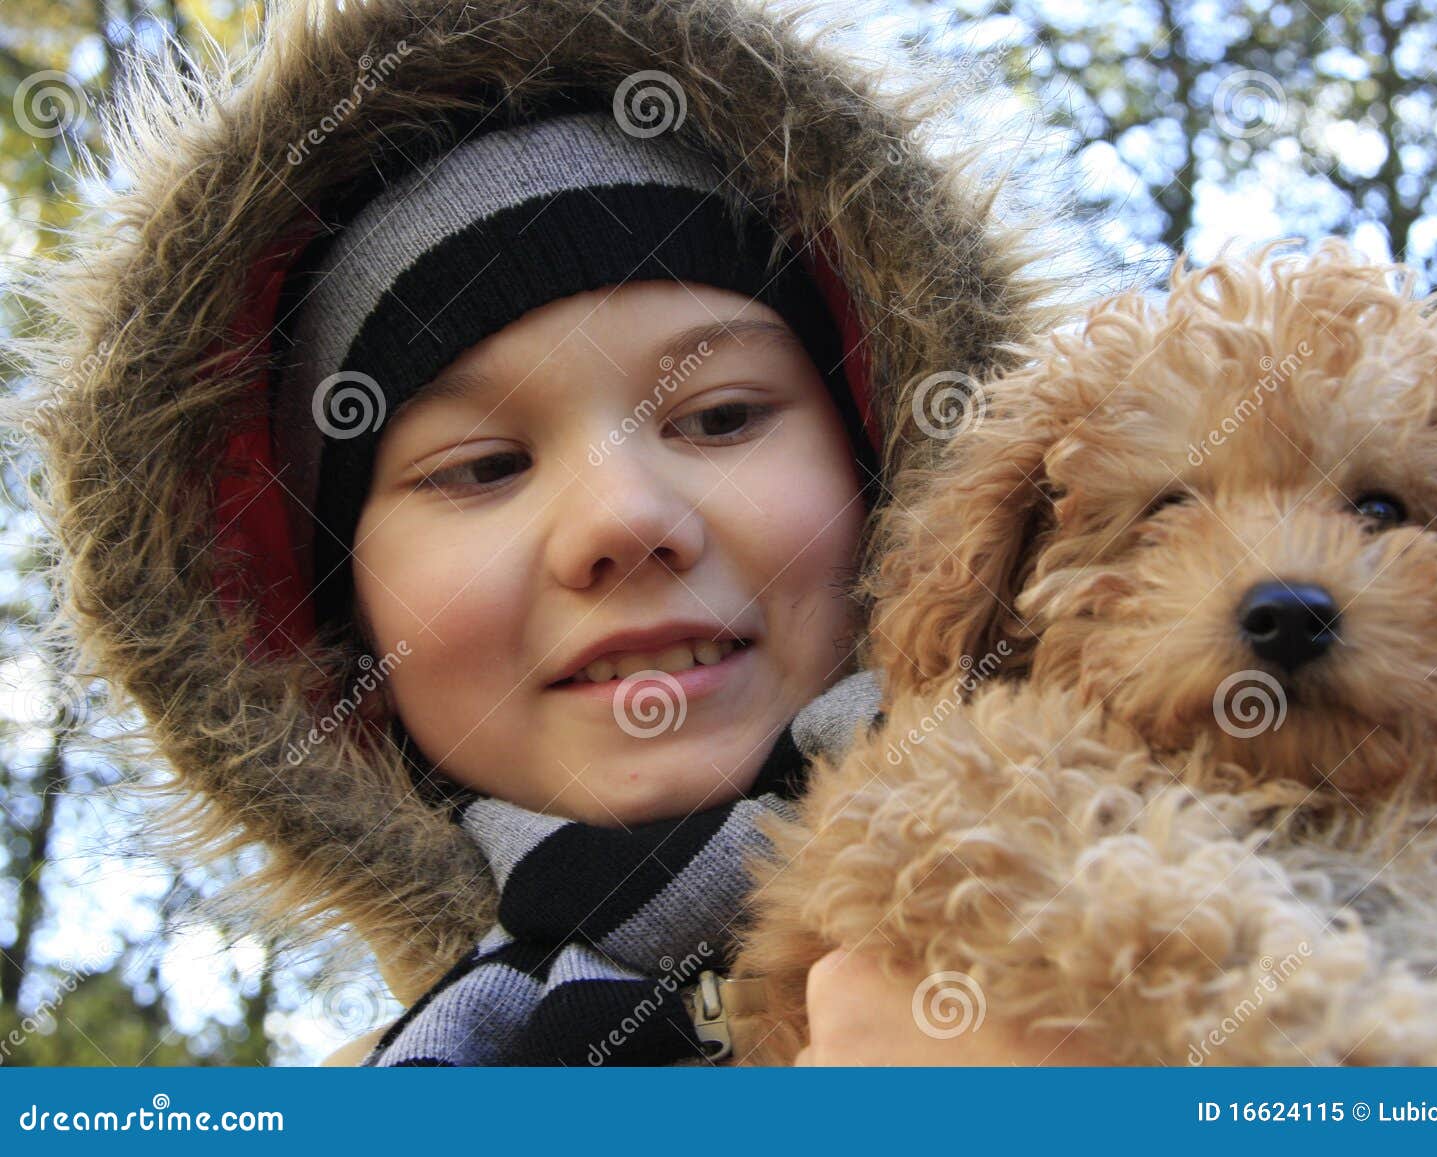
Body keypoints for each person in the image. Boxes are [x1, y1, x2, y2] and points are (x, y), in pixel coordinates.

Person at [14, 0, 1077, 1064]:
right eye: (481, 467)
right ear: (335, 628)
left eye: (720, 417)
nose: (621, 519)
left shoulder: (1187, 919)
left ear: (889, 478)